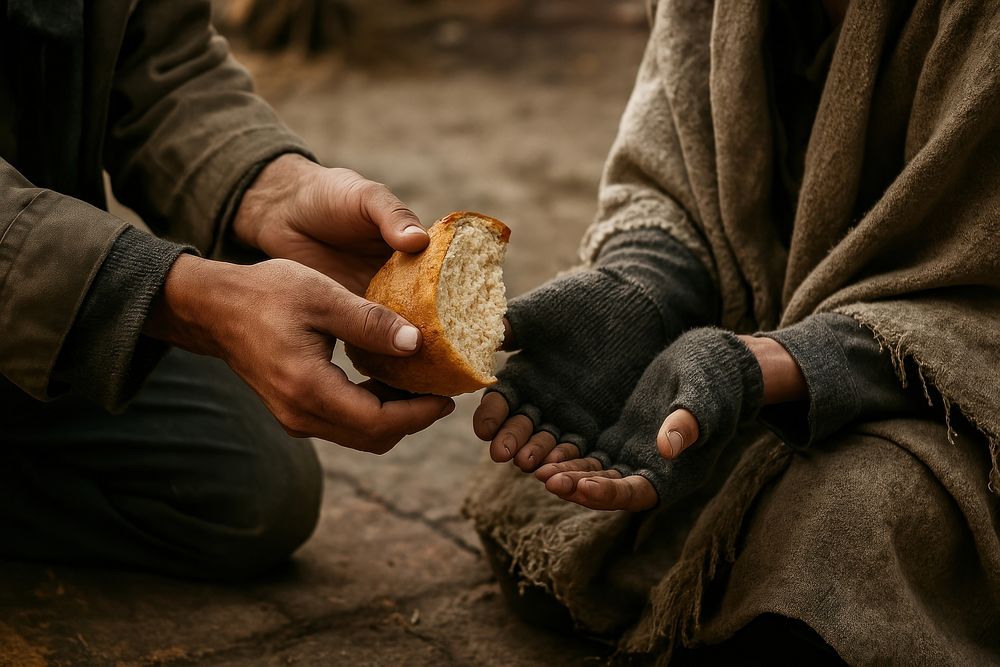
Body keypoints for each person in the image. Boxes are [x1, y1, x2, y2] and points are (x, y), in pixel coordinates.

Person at [465, 0, 1000, 663]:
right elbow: (669, 173)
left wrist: (769, 367)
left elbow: (979, 294)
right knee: (554, 509)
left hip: (944, 391)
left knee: (846, 529)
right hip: (753, 325)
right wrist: (641, 288)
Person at [0, 1, 454, 579]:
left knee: (253, 492)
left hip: (37, 287)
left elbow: (167, 69)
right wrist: (179, 298)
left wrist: (272, 190)